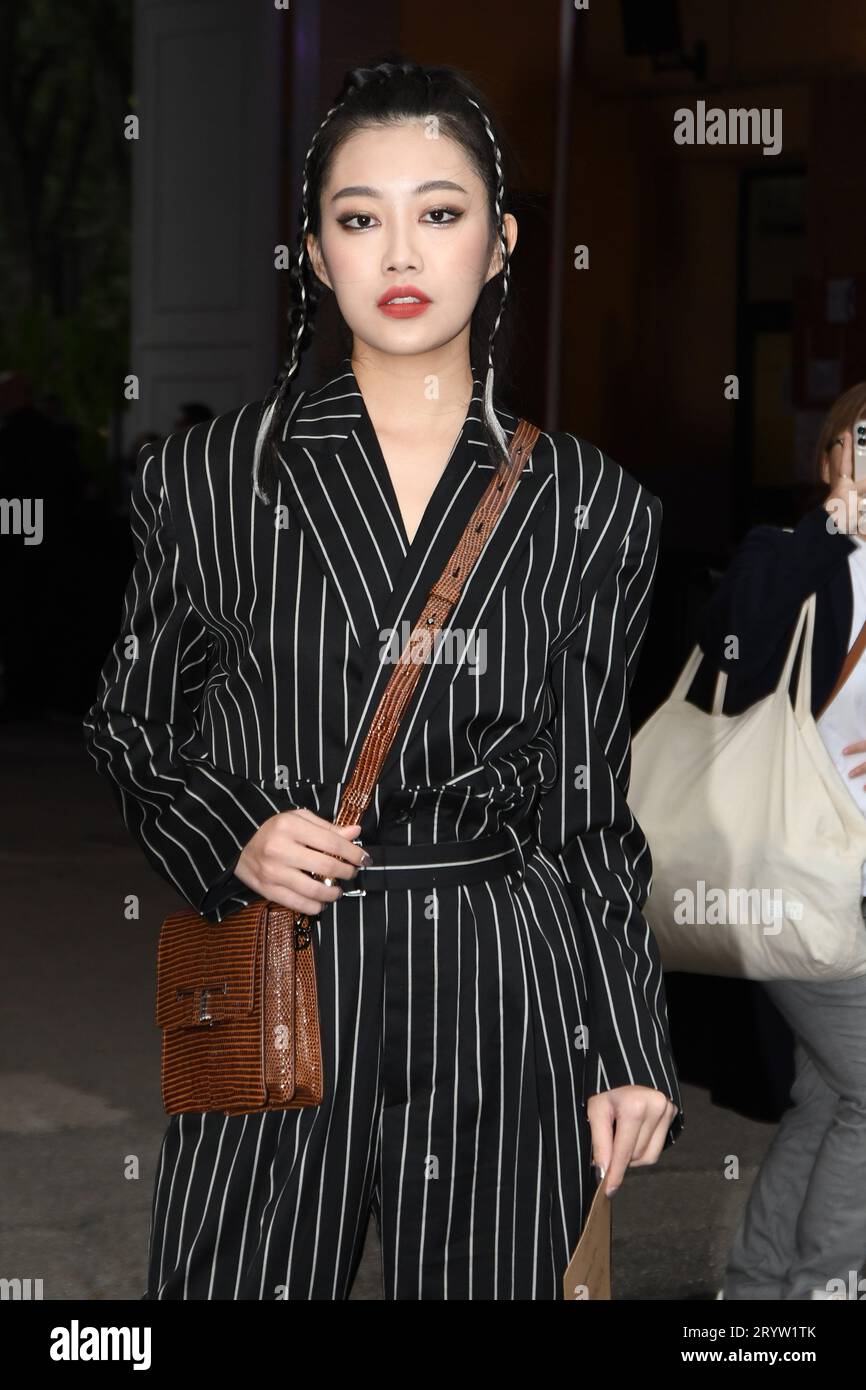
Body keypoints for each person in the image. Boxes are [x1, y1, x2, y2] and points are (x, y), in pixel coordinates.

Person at [83, 56, 683, 1301]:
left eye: (439, 212)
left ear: (500, 242)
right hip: (279, 969)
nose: (400, 251)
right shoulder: (209, 480)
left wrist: (624, 1041)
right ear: (314, 252)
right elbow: (131, 725)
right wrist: (235, 832)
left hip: (497, 979)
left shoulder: (592, 507)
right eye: (359, 219)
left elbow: (586, 810)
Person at [695, 382, 866, 1300]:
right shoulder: (787, 554)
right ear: (829, 455)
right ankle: (828, 1287)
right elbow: (729, 660)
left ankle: (758, 1290)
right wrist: (825, 533)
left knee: (830, 1093)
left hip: (857, 883)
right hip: (791, 875)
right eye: (862, 443)